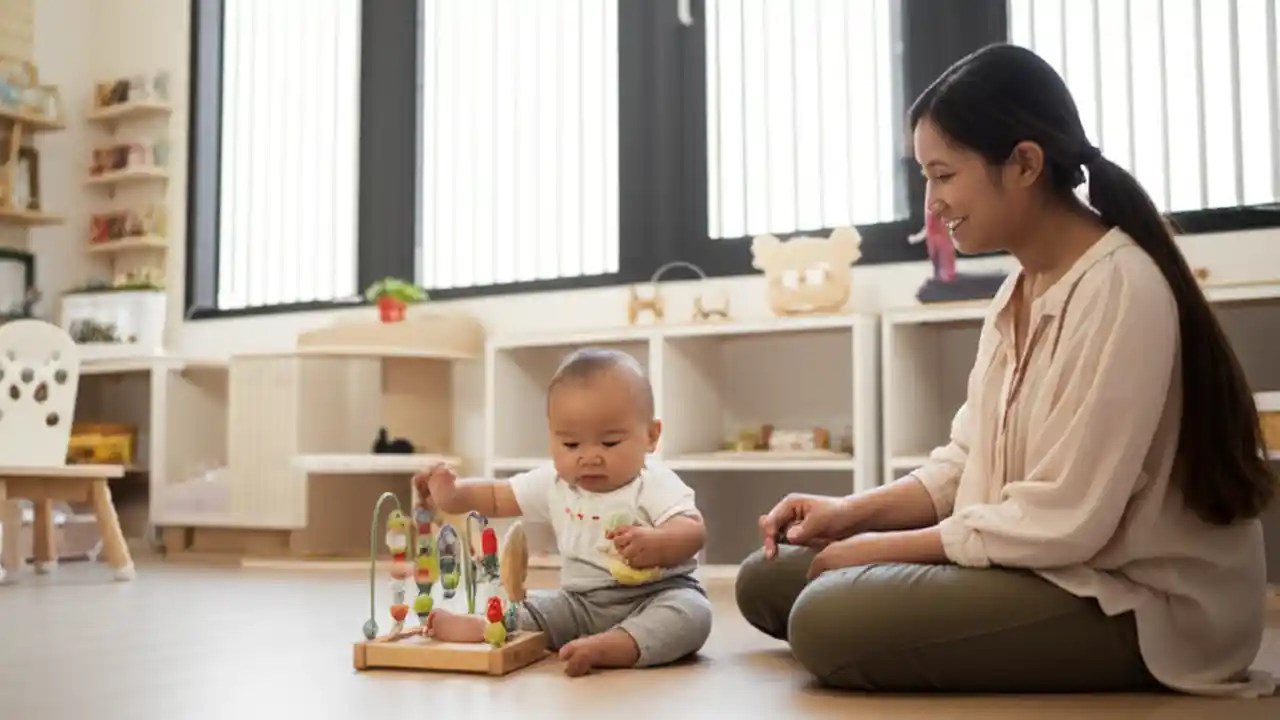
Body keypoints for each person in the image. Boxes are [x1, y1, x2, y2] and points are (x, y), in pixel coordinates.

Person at [736, 43, 1277, 698]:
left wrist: (879, 550)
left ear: (1023, 164)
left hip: (1135, 599)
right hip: (1046, 564)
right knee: (765, 580)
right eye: (924, 179)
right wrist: (849, 515)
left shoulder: (1121, 287)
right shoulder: (1019, 290)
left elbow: (1067, 520)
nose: (931, 203)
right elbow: (967, 461)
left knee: (826, 619)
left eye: (943, 175)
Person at [418, 348, 712, 677]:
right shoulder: (555, 482)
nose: (589, 457)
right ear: (552, 437)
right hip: (580, 604)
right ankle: (486, 626)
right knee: (537, 609)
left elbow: (693, 531)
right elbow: (496, 497)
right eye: (571, 445)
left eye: (610, 443)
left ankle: (613, 646)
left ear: (651, 436)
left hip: (656, 595)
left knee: (692, 613)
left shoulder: (653, 483)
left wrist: (659, 543)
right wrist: (454, 494)